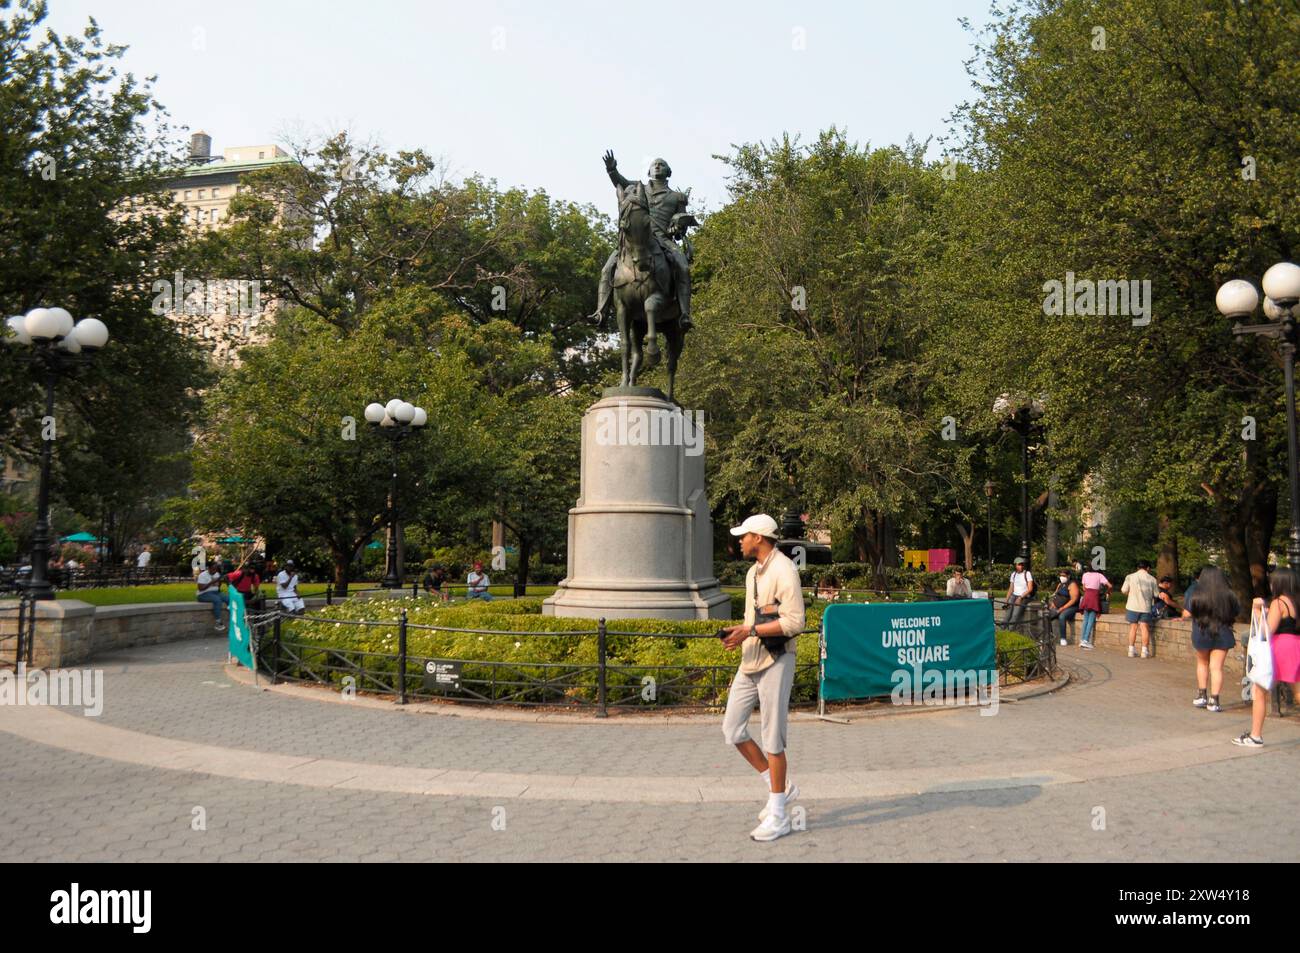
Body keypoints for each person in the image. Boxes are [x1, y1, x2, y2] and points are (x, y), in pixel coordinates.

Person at [719, 514, 805, 843]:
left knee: (773, 738)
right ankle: (779, 788)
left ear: (759, 537)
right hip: (750, 658)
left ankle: (779, 814)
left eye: (744, 536)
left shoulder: (785, 569)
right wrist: (738, 635)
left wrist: (750, 631)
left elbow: (795, 621)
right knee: (733, 729)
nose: (740, 540)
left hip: (777, 659)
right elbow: (750, 619)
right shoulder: (753, 572)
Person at [1234, 567, 1300, 747]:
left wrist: (1256, 610)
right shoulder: (1296, 602)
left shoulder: (1280, 603)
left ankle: (1255, 735)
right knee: (1298, 691)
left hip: (1280, 648)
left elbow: (1266, 630)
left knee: (1259, 690)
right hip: (1296, 645)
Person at [1181, 566, 1238, 714]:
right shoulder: (1228, 594)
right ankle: (1214, 700)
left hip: (1201, 632)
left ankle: (1202, 695)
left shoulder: (1195, 593)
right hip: (1223, 632)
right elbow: (1236, 611)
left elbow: (1187, 613)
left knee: (1202, 663)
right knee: (1217, 667)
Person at [1121, 559, 1159, 657]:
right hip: (1145, 607)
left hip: (1132, 606)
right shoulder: (1152, 579)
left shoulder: (1130, 577)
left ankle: (1131, 650)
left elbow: (1124, 590)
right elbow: (1156, 594)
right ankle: (1144, 651)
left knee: (1133, 627)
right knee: (1144, 627)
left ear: (1137, 568)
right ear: (1148, 568)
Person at [1078, 566, 1111, 649]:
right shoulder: (1099, 575)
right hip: (1094, 597)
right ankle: (1086, 640)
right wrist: (1108, 592)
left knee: (1085, 619)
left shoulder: (1085, 575)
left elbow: (1084, 588)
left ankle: (1082, 639)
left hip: (1086, 597)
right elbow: (1109, 585)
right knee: (1091, 620)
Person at [1046, 570, 1081, 645]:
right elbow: (1055, 595)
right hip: (1058, 607)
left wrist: (1063, 608)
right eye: (1061, 575)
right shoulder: (1060, 584)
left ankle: (1063, 638)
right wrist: (1053, 604)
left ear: (1068, 576)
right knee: (1046, 615)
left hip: (1072, 607)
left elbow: (1073, 600)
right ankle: (1047, 637)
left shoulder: (1072, 584)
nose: (1062, 577)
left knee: (1062, 616)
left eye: (1064, 576)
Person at [1002, 557, 1035, 626]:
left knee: (1015, 615)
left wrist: (1020, 597)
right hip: (1014, 595)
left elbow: (1030, 589)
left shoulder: (1027, 574)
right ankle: (1002, 631)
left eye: (1022, 564)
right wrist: (1006, 600)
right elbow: (1011, 588)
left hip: (1023, 596)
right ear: (1015, 565)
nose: (1021, 566)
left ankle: (1010, 632)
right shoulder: (1013, 574)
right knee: (1007, 615)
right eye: (1019, 564)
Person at [196, 563, 228, 629]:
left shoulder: (217, 574)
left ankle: (235, 618)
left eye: (216, 569)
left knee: (228, 598)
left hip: (215, 592)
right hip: (203, 594)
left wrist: (221, 581)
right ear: (208, 568)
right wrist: (212, 582)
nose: (214, 571)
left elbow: (218, 586)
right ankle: (218, 622)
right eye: (213, 569)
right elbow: (200, 588)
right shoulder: (202, 575)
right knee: (217, 600)